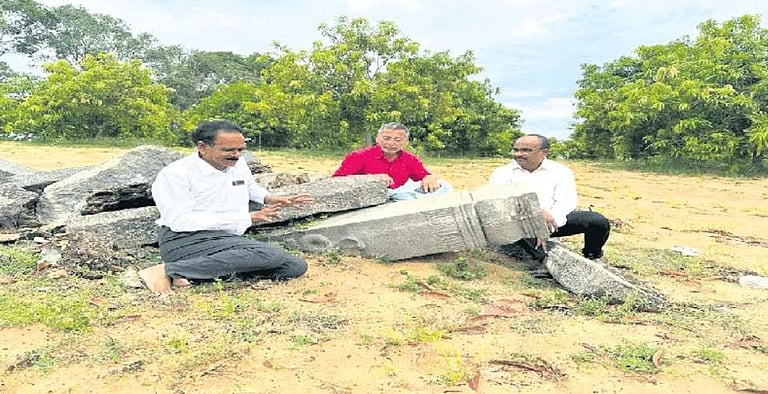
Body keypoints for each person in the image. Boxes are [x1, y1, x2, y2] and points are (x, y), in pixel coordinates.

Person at [139, 120, 313, 294]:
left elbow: (250, 187)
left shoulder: (238, 164)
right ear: (202, 147)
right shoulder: (176, 174)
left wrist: (271, 198)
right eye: (229, 150)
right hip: (185, 239)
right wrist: (249, 218)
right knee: (271, 255)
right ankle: (167, 270)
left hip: (224, 238)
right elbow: (180, 222)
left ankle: (191, 273)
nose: (236, 155)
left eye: (240, 150)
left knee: (294, 267)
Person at [489, 134, 610, 262]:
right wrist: (535, 213)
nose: (518, 154)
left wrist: (548, 225)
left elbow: (566, 202)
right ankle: (539, 259)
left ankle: (592, 256)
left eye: (526, 150)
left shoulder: (561, 171)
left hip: (551, 221)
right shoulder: (502, 173)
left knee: (597, 221)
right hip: (518, 221)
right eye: (516, 150)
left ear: (544, 152)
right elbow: (498, 201)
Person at [332, 122, 452, 201]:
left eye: (397, 140)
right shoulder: (358, 156)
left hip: (399, 195)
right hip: (369, 198)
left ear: (405, 142)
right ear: (378, 138)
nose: (391, 143)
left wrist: (429, 177)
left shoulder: (409, 159)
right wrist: (372, 179)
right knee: (407, 198)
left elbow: (423, 175)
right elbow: (336, 181)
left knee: (443, 185)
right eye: (387, 138)